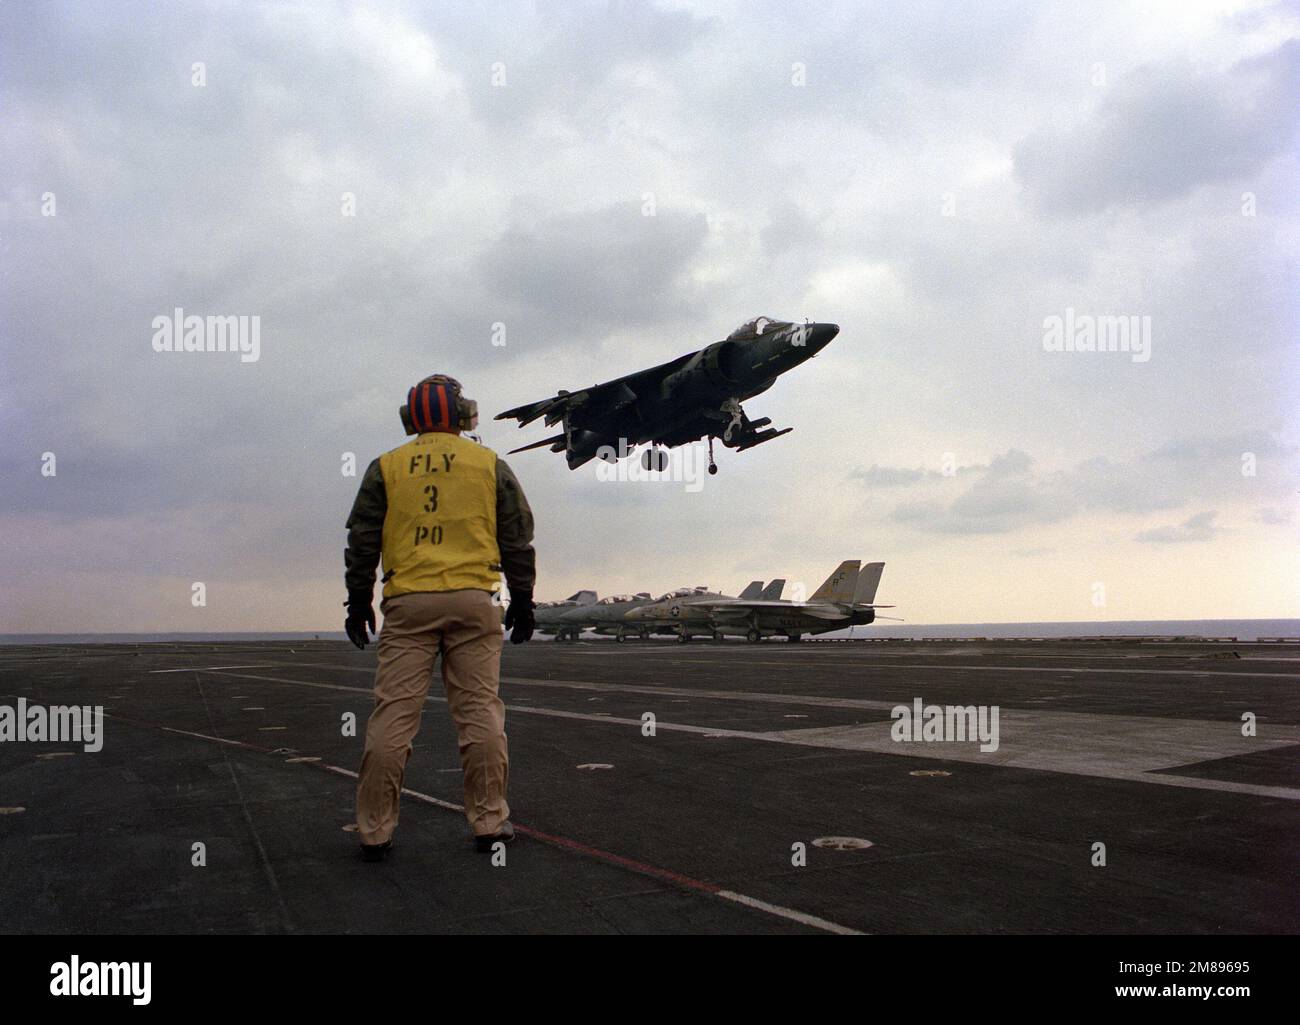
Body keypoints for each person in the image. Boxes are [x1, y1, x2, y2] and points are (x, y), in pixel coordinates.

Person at [343, 374, 536, 861]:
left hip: (408, 602)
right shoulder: (489, 463)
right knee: (481, 715)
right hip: (474, 600)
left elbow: (362, 542)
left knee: (393, 717)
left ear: (412, 417)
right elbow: (517, 538)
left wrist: (357, 601)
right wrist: (525, 599)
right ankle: (490, 823)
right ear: (461, 412)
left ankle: (375, 831)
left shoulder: (385, 467)